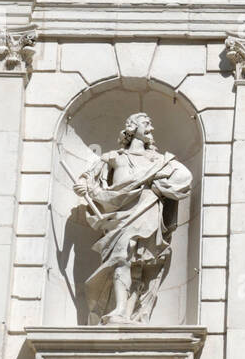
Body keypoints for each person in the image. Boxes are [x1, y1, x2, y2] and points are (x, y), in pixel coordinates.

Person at [73, 112, 192, 324]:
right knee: (121, 257)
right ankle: (119, 308)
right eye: (146, 123)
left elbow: (184, 181)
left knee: (140, 262)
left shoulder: (159, 160)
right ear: (132, 127)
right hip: (120, 216)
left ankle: (130, 312)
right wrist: (84, 186)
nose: (151, 129)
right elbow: (88, 179)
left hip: (147, 209)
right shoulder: (112, 157)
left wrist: (158, 187)